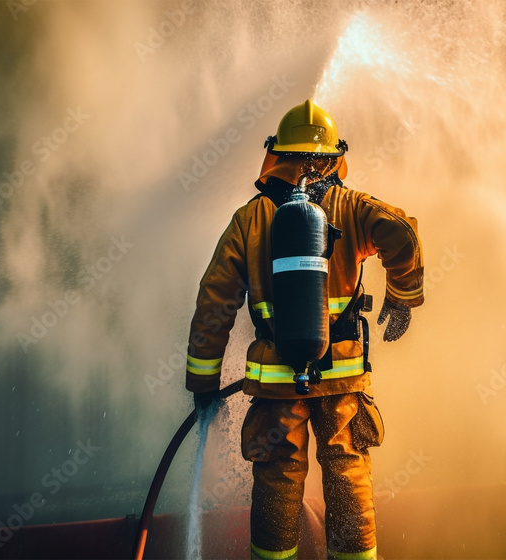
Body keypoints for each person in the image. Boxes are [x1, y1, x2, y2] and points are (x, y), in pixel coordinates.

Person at [184, 99, 424, 560]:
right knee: (347, 471)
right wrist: (402, 295)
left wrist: (204, 383)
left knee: (277, 478)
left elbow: (214, 300)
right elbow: (403, 234)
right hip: (342, 380)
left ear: (276, 154)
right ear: (333, 156)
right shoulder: (352, 208)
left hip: (277, 384)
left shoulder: (251, 219)